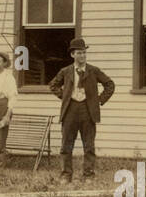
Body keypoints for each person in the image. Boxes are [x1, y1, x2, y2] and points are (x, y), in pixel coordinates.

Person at [48, 37, 115, 182]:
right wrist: (65, 97)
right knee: (66, 145)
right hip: (70, 110)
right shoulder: (65, 71)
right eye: (79, 53)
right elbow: (53, 85)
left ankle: (88, 175)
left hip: (88, 110)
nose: (82, 56)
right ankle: (66, 175)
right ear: (72, 55)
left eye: (84, 53)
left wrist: (99, 100)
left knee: (89, 145)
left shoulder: (93, 70)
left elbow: (110, 85)